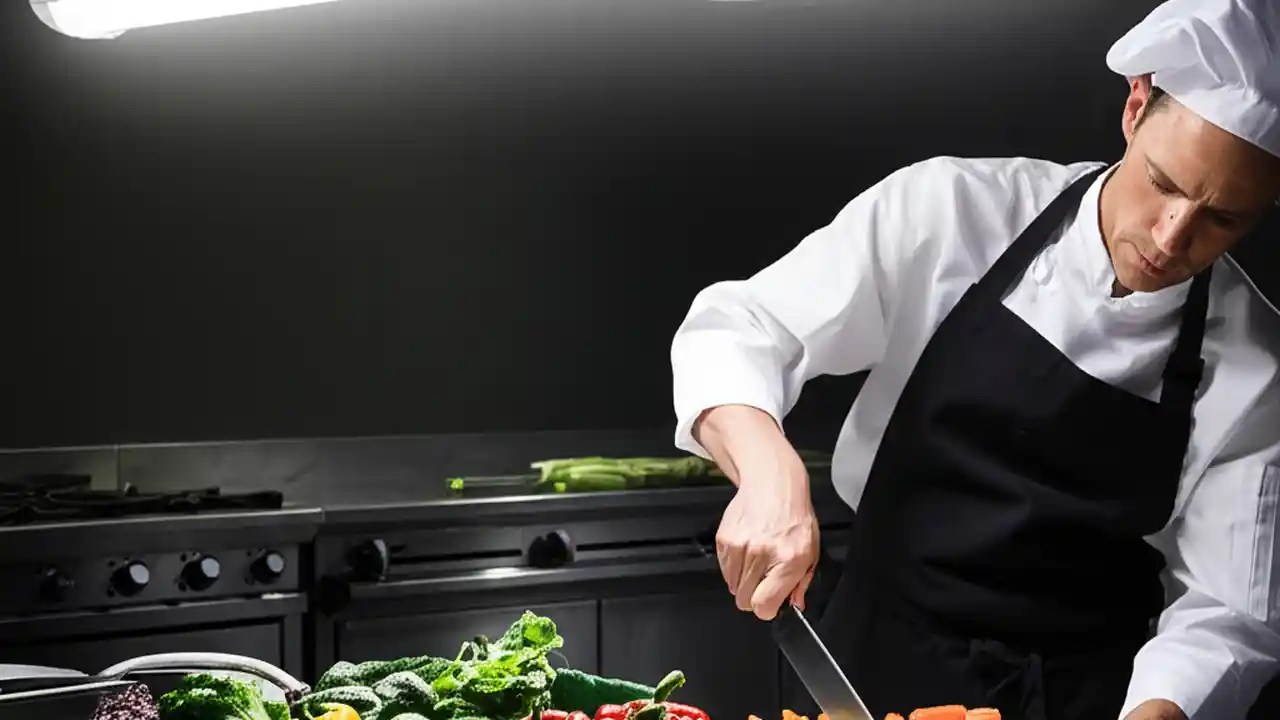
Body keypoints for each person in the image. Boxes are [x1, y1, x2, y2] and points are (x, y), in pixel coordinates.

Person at [669, 1, 1280, 719]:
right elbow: (739, 325)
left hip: (1079, 698)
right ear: (1135, 107)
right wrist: (768, 472)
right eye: (1165, 183)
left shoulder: (1255, 367)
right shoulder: (953, 212)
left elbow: (1226, 612)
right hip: (867, 669)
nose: (1173, 236)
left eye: (1223, 218)